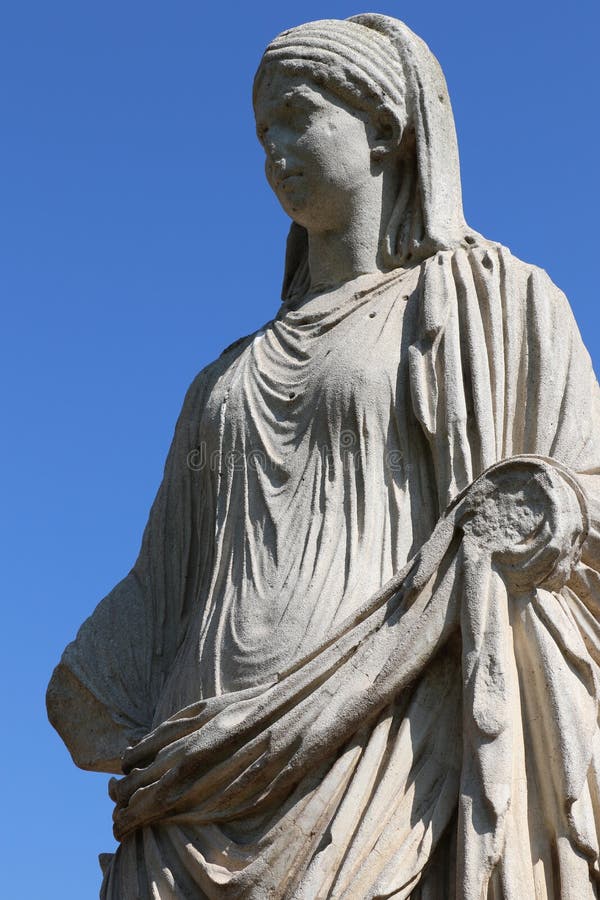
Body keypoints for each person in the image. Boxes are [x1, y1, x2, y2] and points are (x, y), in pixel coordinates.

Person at [47, 14, 600, 899]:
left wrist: (545, 508)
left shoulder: (493, 303)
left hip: (386, 734)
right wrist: (86, 682)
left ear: (385, 127)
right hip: (196, 767)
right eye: (261, 131)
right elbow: (164, 580)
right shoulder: (221, 379)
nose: (273, 149)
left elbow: (585, 486)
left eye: (297, 117)